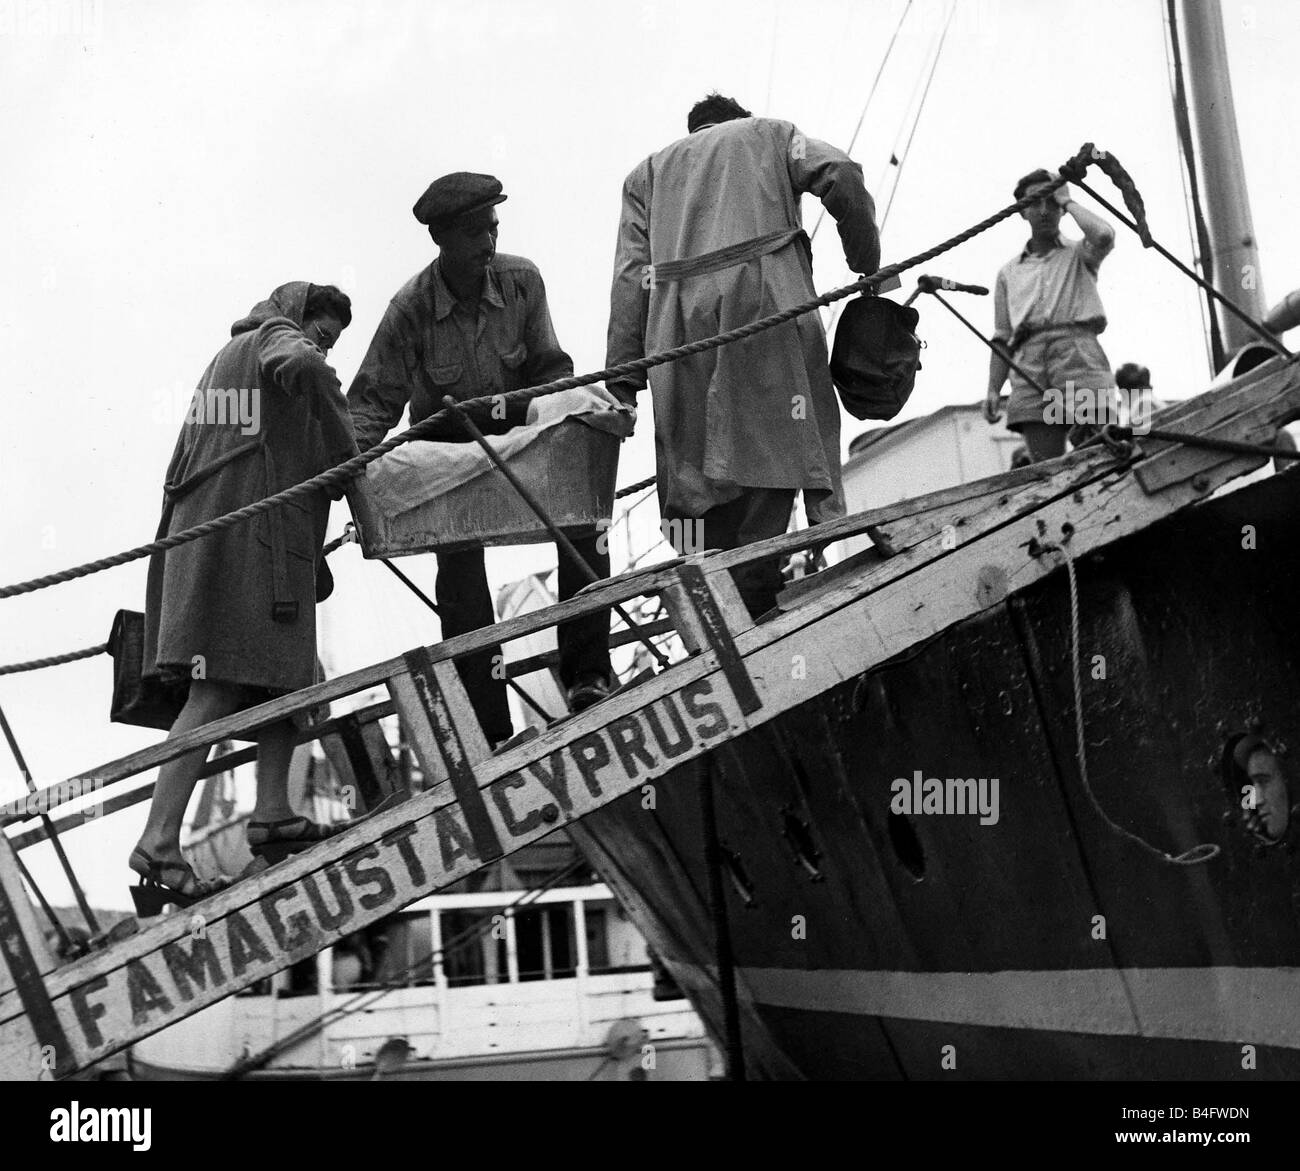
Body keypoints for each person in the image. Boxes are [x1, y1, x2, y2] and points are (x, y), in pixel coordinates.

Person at [347, 173, 615, 739]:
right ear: (443, 239)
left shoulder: (522, 281)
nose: (488, 243)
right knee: (460, 573)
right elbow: (372, 405)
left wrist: (569, 415)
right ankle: (490, 725)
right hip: (449, 452)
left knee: (585, 525)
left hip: (521, 437)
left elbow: (549, 368)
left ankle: (588, 676)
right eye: (475, 234)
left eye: (493, 228)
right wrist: (341, 475)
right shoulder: (409, 310)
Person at [606, 93, 880, 619]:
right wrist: (864, 260)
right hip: (765, 308)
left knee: (694, 475)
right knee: (773, 451)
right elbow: (840, 171)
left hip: (677, 331)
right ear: (739, 119)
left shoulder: (647, 174)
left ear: (694, 131)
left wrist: (624, 375)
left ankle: (723, 596)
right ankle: (757, 596)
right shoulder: (770, 135)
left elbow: (629, 273)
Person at [131, 282, 358, 914]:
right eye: (323, 331)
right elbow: (306, 365)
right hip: (243, 548)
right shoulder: (269, 340)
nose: (324, 345)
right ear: (297, 316)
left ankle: (274, 812)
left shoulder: (230, 370)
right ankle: (158, 841)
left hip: (234, 547)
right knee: (218, 690)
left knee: (285, 679)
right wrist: (348, 449)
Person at [984, 168, 1117, 462]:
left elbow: (1104, 234)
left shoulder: (1080, 252)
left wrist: (1068, 201)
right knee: (1046, 469)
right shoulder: (1008, 272)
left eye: (1052, 202)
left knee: (1102, 455)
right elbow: (1003, 336)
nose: (1044, 211)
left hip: (1078, 356)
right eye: (1034, 203)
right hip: (1028, 364)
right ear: (1021, 211)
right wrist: (993, 389)